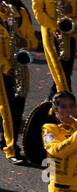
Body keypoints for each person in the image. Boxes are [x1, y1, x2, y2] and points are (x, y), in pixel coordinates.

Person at [0, 2, 37, 163]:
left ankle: (5, 137)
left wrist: (25, 42)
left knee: (18, 108)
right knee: (8, 110)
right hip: (3, 71)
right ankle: (11, 150)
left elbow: (33, 43)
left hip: (18, 67)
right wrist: (5, 66)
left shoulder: (19, 12)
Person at [34, 0, 77, 97]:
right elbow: (38, 12)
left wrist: (72, 9)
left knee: (67, 71)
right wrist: (55, 27)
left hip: (69, 33)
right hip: (51, 34)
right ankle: (63, 100)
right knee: (60, 72)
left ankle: (54, 101)